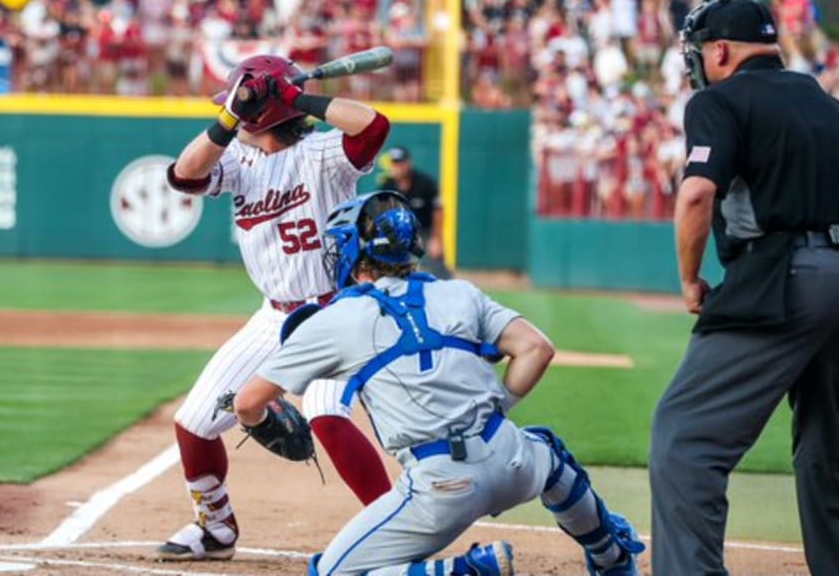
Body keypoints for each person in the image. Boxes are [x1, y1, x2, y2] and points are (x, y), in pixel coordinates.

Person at [229, 191, 645, 575]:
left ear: (356, 254)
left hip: (442, 487)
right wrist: (496, 410)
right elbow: (537, 349)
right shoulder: (460, 293)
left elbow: (249, 403)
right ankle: (612, 556)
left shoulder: (336, 319)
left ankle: (463, 570)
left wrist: (262, 421)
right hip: (509, 461)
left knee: (331, 572)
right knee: (547, 454)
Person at [650, 0, 839, 575]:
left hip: (783, 279)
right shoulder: (828, 105)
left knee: (686, 441)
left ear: (721, 51)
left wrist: (689, 279)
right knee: (829, 455)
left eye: (701, 51)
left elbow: (697, 193)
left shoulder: (718, 101)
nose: (698, 62)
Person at [158, 55, 396, 561]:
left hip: (338, 312)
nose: (233, 112)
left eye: (240, 106)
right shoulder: (237, 161)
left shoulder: (323, 152)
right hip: (274, 316)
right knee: (194, 423)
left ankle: (396, 537)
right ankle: (216, 528)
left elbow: (374, 126)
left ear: (264, 113)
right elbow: (183, 174)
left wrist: (293, 98)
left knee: (326, 416)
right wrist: (228, 119)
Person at [379, 146, 449, 278]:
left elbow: (438, 211)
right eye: (394, 163)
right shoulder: (387, 185)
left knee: (438, 269)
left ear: (408, 163)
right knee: (396, 273)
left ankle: (451, 293)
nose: (397, 167)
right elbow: (381, 213)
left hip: (424, 234)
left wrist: (437, 239)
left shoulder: (425, 183)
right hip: (400, 235)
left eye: (400, 163)